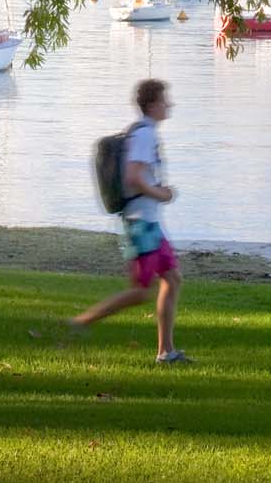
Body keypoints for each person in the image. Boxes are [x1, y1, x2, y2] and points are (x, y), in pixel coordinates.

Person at [69, 78, 187, 362]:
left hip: (148, 224)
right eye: (164, 99)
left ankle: (166, 352)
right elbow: (133, 176)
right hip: (140, 224)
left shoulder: (143, 133)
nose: (169, 104)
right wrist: (161, 193)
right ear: (153, 104)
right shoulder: (145, 135)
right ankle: (82, 322)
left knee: (173, 278)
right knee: (139, 291)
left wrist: (159, 194)